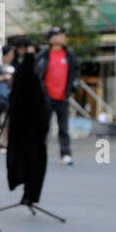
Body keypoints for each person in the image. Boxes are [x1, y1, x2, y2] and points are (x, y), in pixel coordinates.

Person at [35, 26, 79, 165]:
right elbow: (37, 74)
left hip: (63, 97)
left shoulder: (69, 56)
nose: (62, 38)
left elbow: (75, 74)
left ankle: (65, 154)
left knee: (64, 128)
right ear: (52, 39)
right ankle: (40, 153)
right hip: (46, 97)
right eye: (59, 35)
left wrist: (72, 87)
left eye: (63, 35)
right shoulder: (43, 56)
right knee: (43, 127)